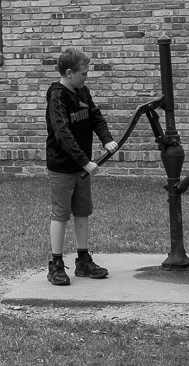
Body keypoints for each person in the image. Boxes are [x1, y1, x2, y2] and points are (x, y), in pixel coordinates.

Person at [45, 46, 117, 286]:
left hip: (82, 168)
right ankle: (56, 264)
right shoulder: (57, 97)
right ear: (69, 73)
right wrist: (84, 161)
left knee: (82, 212)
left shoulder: (82, 91)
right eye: (83, 73)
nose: (86, 77)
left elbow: (95, 116)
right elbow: (63, 133)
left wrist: (106, 139)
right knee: (61, 214)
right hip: (62, 167)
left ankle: (83, 260)